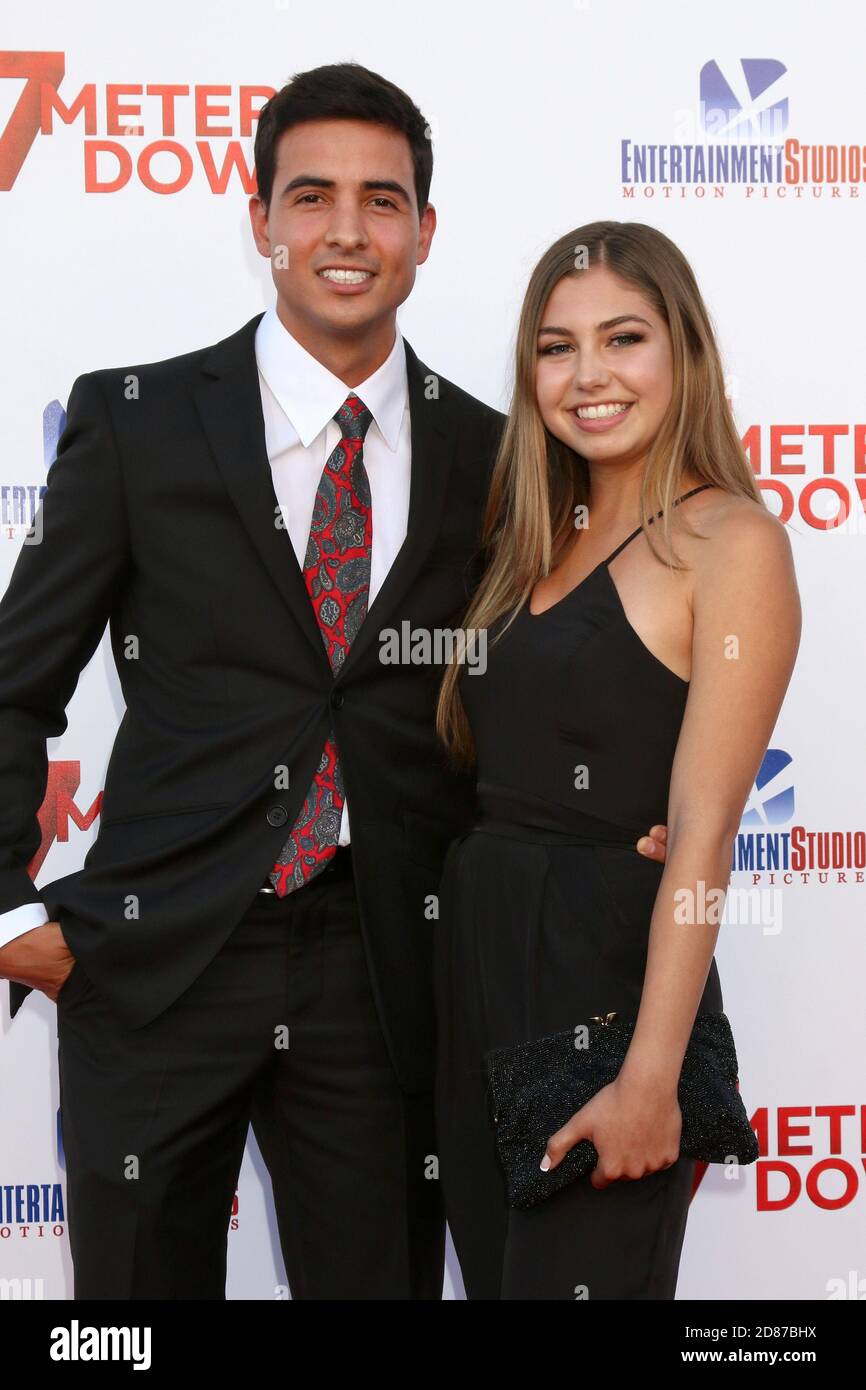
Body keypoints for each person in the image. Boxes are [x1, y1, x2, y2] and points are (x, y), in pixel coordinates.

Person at [0, 71, 667, 1299]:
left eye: (382, 199)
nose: (346, 231)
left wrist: (639, 808)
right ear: (259, 219)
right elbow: (11, 684)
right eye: (311, 197)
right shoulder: (137, 424)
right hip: (155, 962)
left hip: (388, 972)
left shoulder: (499, 456)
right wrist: (12, 916)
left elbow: (563, 667)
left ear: (425, 231)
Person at [433, 220, 801, 1300]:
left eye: (622, 338)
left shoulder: (728, 541)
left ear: (682, 350)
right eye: (555, 347)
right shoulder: (528, 535)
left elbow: (696, 833)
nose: (586, 375)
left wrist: (648, 1077)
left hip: (606, 991)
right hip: (478, 973)